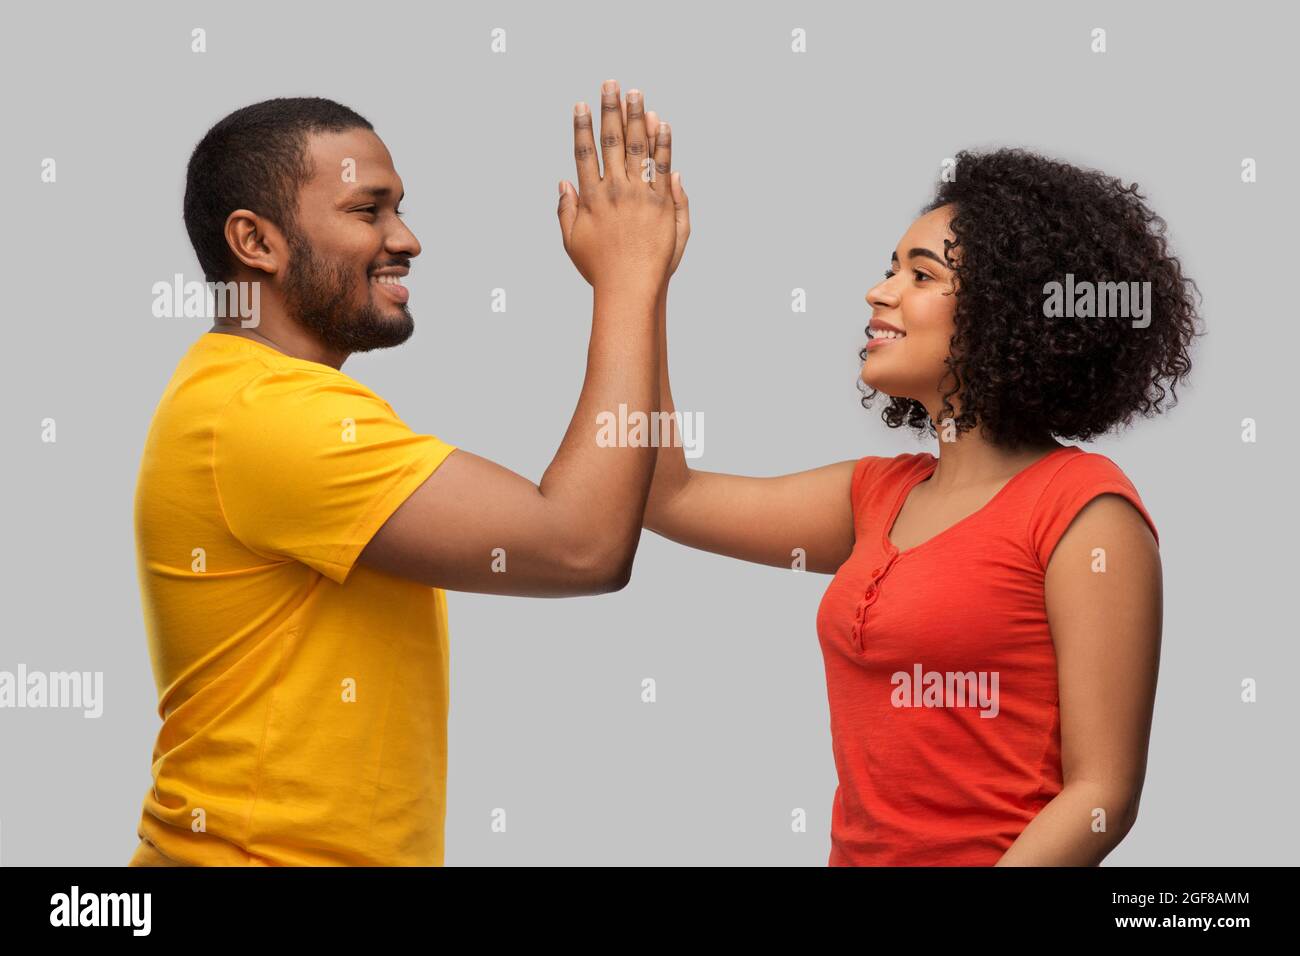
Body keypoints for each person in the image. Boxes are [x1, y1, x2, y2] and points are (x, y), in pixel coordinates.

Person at [130, 81, 677, 865]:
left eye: (399, 208)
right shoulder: (267, 415)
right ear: (256, 242)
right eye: (368, 210)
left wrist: (640, 282)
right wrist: (629, 275)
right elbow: (582, 545)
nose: (407, 238)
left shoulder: (251, 398)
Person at [642, 147, 1202, 865]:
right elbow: (662, 494)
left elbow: (1101, 795)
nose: (879, 292)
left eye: (921, 274)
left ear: (1005, 309)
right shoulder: (878, 495)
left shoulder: (1085, 511)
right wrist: (641, 282)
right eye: (890, 268)